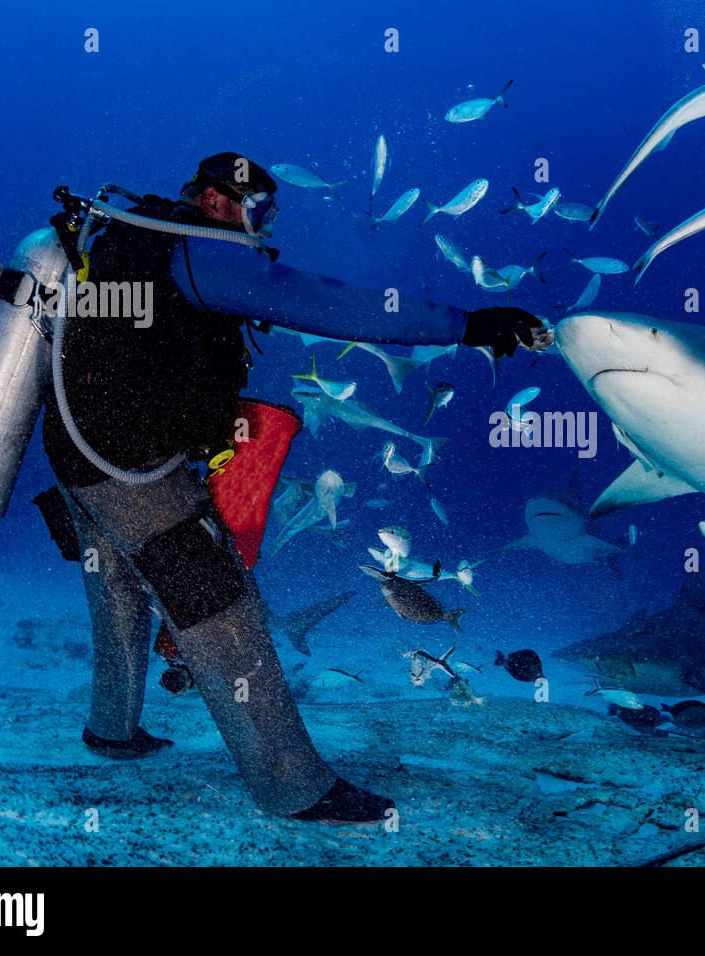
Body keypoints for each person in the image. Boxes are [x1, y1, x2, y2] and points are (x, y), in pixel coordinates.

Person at [39, 152, 548, 821]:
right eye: (257, 210)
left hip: (74, 446)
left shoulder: (128, 235)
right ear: (218, 202)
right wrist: (465, 325)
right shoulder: (203, 250)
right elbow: (325, 304)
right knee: (221, 608)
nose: (260, 225)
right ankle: (294, 788)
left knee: (118, 587)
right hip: (128, 463)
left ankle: (111, 729)